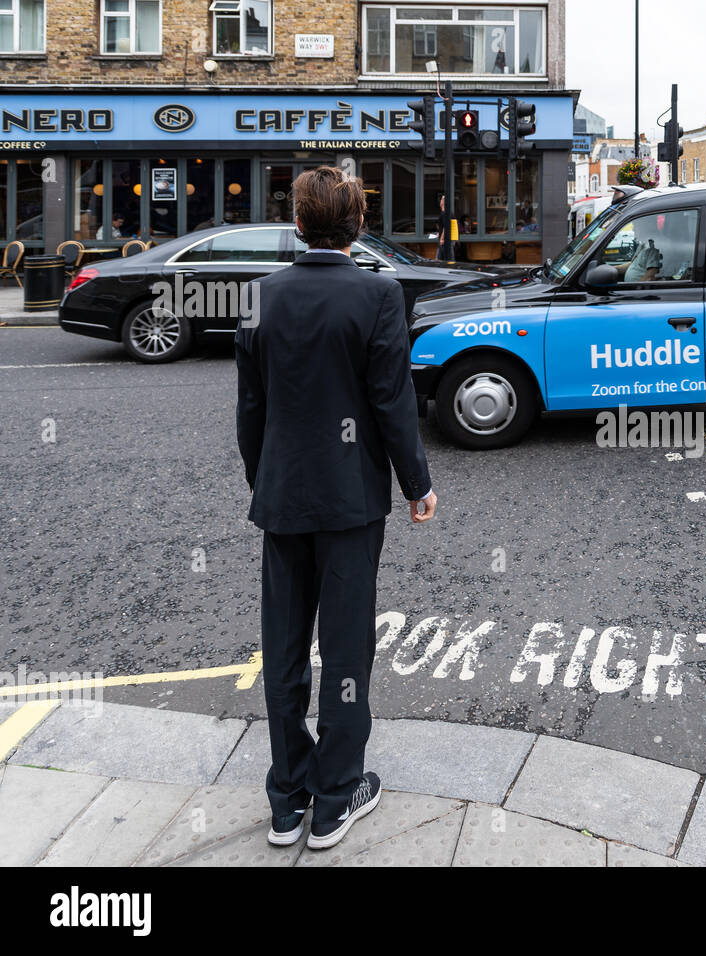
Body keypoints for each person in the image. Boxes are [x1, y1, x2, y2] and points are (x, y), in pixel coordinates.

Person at [235, 166, 437, 852]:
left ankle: (287, 799)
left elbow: (252, 407)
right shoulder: (379, 294)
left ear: (298, 224)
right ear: (357, 227)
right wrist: (417, 484)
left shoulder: (261, 294)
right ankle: (335, 797)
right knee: (347, 648)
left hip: (282, 497)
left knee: (284, 648)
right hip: (351, 499)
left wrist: (261, 479)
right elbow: (391, 404)